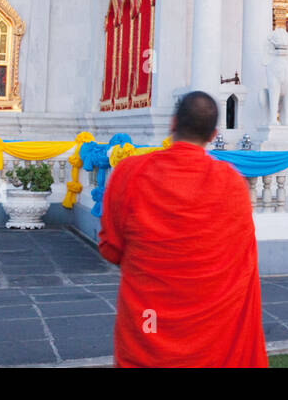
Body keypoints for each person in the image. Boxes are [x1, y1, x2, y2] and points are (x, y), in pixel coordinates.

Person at [99, 90, 268, 367]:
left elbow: (110, 249)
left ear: (173, 123)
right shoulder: (232, 184)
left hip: (147, 333)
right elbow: (241, 261)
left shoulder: (130, 172)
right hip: (213, 342)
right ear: (214, 135)